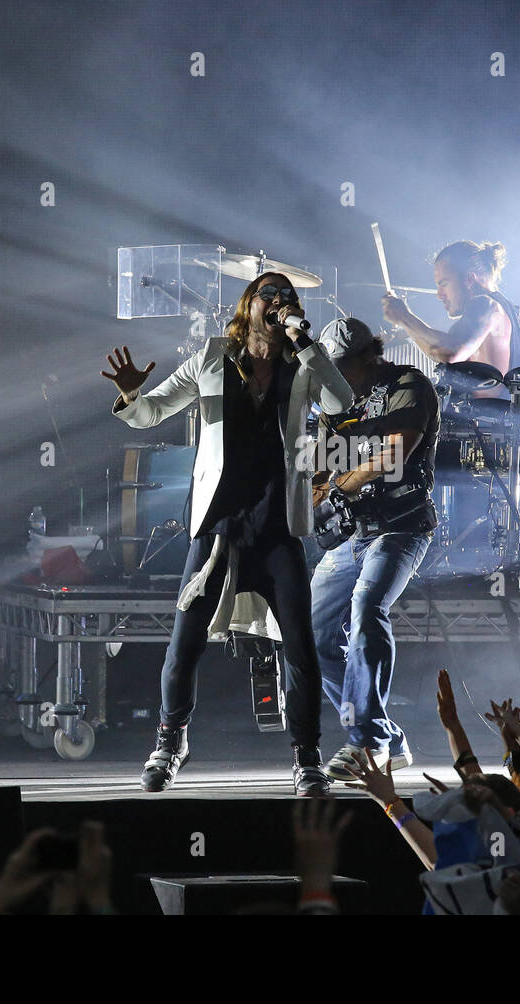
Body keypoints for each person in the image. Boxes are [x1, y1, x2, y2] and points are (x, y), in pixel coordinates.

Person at [100, 272, 354, 796]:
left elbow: (340, 403)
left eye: (289, 297)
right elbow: (151, 414)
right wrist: (131, 394)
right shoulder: (213, 358)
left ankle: (306, 758)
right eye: (270, 295)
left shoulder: (299, 362)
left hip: (278, 523)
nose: (280, 302)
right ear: (248, 304)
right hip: (218, 524)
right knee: (185, 642)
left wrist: (304, 342)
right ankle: (171, 741)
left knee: (300, 648)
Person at [307, 317, 440, 781]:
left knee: (367, 606)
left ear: (371, 355)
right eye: (329, 368)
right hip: (352, 535)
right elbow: (320, 464)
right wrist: (313, 492)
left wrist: (337, 487)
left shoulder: (409, 385)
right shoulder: (331, 402)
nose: (335, 376)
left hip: (401, 528)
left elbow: (397, 449)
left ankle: (366, 742)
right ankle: (384, 735)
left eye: (342, 366)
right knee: (308, 634)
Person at [381, 239, 520, 395]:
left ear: (469, 279)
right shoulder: (516, 325)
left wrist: (404, 317)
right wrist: (406, 324)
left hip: (482, 419)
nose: (439, 294)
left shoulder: (485, 304)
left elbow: (451, 352)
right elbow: (437, 351)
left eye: (444, 284)